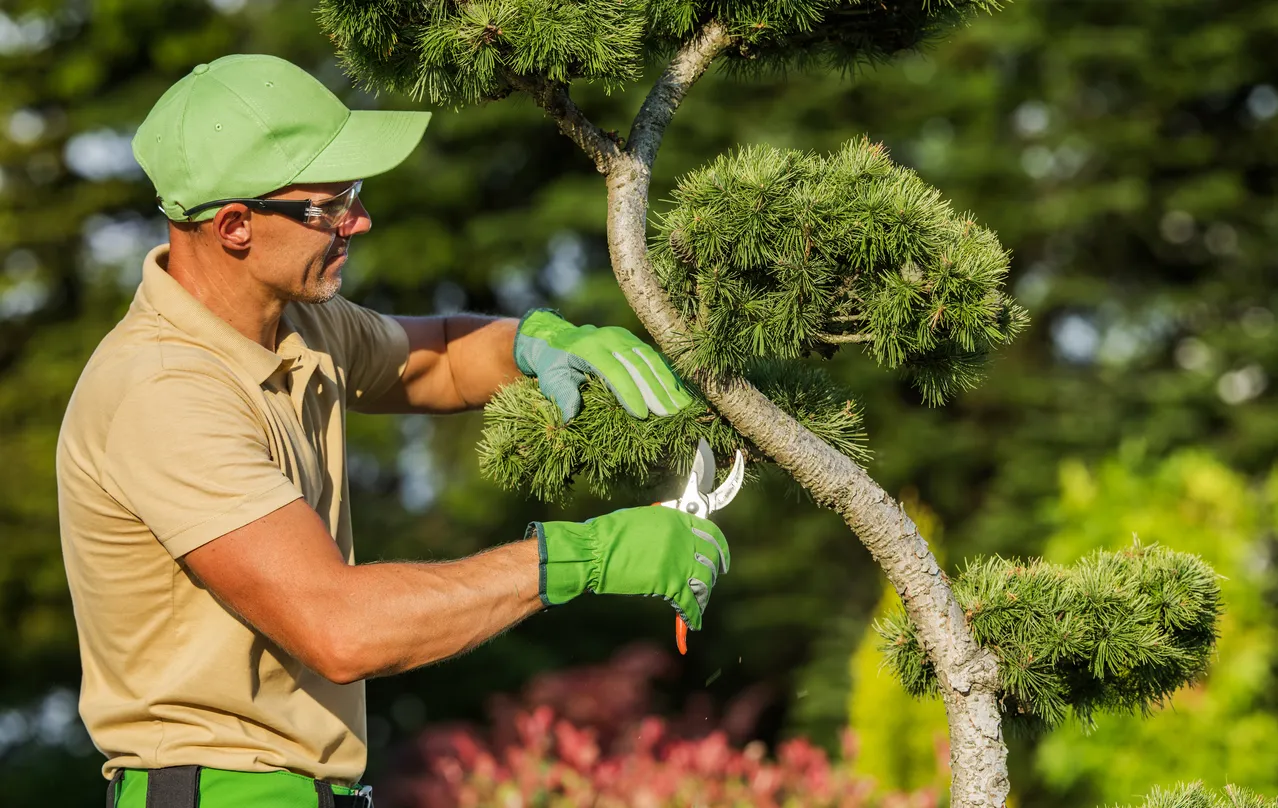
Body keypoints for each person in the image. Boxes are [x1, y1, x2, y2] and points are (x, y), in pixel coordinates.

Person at [56, 53, 730, 808]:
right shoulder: (164, 394)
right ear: (236, 226)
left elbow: (431, 362)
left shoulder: (297, 324)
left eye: (356, 194)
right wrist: (583, 555)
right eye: (330, 204)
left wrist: (540, 343)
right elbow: (341, 628)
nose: (360, 221)